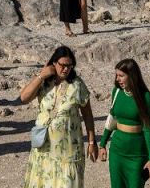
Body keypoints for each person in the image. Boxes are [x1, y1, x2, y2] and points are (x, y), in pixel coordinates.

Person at [20, 44, 98, 188]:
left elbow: (88, 115)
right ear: (54, 63)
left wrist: (92, 142)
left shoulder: (77, 85)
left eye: (69, 66)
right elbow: (24, 98)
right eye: (63, 65)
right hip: (44, 150)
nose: (66, 69)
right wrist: (41, 75)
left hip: (69, 151)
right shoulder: (44, 83)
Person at [98, 58, 150, 188]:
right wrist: (102, 144)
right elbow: (111, 120)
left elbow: (147, 129)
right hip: (117, 152)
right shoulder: (116, 92)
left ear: (132, 76)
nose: (117, 79)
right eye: (116, 75)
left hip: (137, 155)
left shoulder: (145, 97)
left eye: (121, 76)